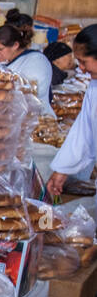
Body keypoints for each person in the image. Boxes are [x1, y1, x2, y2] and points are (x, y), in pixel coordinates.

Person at [47, 25, 97, 199]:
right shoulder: (94, 87)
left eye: (84, 62)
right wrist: (63, 169)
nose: (80, 69)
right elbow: (85, 131)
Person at [0, 22, 52, 103]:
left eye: (0, 49)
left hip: (37, 114)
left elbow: (34, 90)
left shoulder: (36, 61)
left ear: (15, 45)